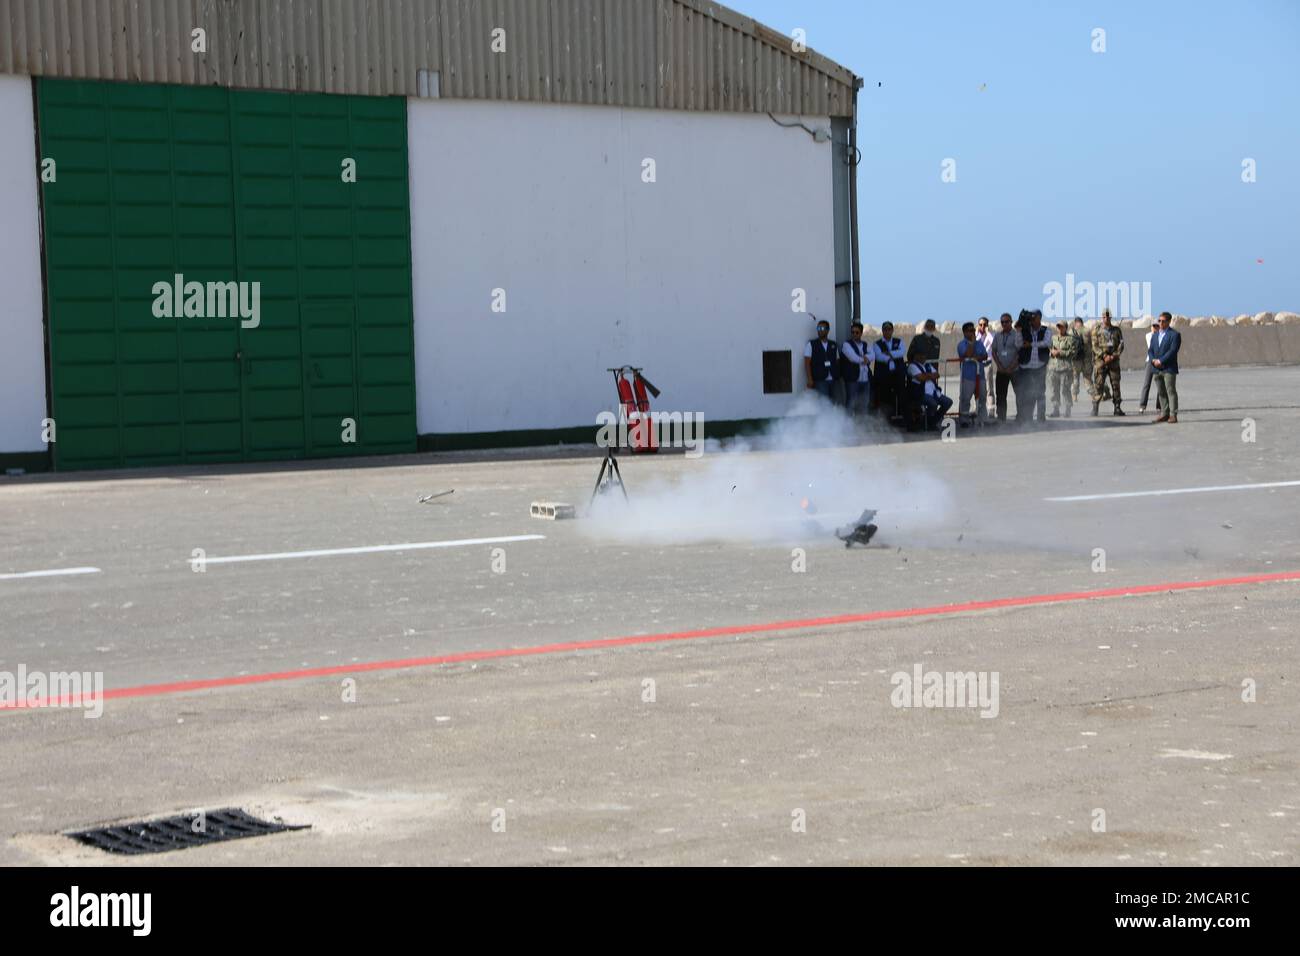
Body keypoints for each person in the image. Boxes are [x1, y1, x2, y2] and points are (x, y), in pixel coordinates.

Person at [1017, 309, 1051, 423]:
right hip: (1026, 367)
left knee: (1040, 393)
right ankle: (1028, 418)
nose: (1031, 320)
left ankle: (1041, 418)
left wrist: (1031, 344)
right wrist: (1018, 331)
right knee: (1027, 393)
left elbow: (1046, 343)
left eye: (1033, 317)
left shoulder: (1046, 330)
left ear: (1039, 318)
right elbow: (1018, 344)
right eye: (1030, 318)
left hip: (1040, 367)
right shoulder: (1025, 330)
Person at [906, 343, 952, 428]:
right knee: (933, 404)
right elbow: (921, 378)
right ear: (916, 356)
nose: (923, 357)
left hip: (934, 392)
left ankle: (932, 421)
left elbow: (937, 375)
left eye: (924, 355)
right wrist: (930, 375)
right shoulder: (912, 366)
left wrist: (926, 375)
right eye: (921, 355)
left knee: (948, 402)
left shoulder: (927, 365)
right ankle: (925, 422)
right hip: (921, 393)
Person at [1090, 309, 1125, 416]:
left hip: (1113, 362)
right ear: (1102, 317)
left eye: (1108, 317)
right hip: (1101, 362)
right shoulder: (1096, 330)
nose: (1106, 319)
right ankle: (1095, 407)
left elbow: (1121, 344)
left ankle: (1117, 407)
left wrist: (1113, 355)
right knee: (1099, 385)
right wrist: (1104, 355)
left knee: (1115, 384)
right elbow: (1094, 346)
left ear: (1111, 318)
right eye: (1104, 317)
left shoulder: (1117, 330)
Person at [1148, 311, 1181, 423]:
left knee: (1170, 391)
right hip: (1156, 368)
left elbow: (1173, 351)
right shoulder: (1155, 335)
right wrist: (1153, 360)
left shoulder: (1174, 335)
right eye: (1159, 321)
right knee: (1161, 392)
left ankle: (1173, 415)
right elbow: (1150, 350)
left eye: (1163, 321)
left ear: (1169, 322)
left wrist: (1161, 361)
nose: (1160, 323)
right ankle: (1164, 413)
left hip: (1168, 368)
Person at [871, 321, 907, 418]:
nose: (887, 331)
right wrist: (894, 354)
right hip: (884, 376)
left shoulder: (899, 341)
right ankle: (887, 419)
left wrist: (889, 353)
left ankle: (902, 417)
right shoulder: (877, 344)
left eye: (889, 329)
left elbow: (902, 352)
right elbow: (879, 357)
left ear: (892, 330)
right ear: (882, 331)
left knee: (901, 396)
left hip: (898, 375)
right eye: (885, 329)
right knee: (885, 397)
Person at [956, 321, 988, 426]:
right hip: (968, 376)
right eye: (970, 331)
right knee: (965, 399)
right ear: (965, 332)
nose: (973, 332)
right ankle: (964, 420)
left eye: (973, 330)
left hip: (980, 375)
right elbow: (967, 355)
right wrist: (972, 344)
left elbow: (985, 355)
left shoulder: (980, 343)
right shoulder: (961, 344)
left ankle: (982, 418)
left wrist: (976, 357)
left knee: (982, 398)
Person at [1047, 318, 1080, 418]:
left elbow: (1073, 352)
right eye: (1058, 327)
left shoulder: (1071, 339)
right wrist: (1051, 352)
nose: (1059, 328)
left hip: (1065, 368)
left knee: (1065, 390)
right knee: (1054, 390)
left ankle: (1067, 409)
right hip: (1053, 368)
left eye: (1061, 327)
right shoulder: (1053, 338)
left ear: (1066, 327)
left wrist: (1060, 352)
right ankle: (1055, 409)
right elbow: (1049, 348)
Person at [990, 313, 1020, 422]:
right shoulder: (997, 335)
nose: (1004, 324)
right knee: (1001, 395)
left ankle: (1020, 417)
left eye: (1006, 321)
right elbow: (993, 351)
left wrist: (1011, 367)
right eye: (1002, 322)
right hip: (1001, 370)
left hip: (1014, 370)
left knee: (1019, 394)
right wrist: (999, 366)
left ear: (1011, 322)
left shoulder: (1017, 335)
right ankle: (1001, 418)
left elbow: (1019, 353)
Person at [804, 317, 839, 401]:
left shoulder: (833, 344)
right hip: (820, 379)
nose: (819, 330)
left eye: (822, 328)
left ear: (827, 330)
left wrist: (837, 374)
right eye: (818, 328)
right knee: (824, 403)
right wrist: (810, 379)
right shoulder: (811, 344)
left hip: (833, 378)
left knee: (834, 402)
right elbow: (807, 362)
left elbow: (837, 360)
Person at [839, 322, 871, 414]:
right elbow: (853, 358)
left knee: (864, 404)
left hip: (865, 379)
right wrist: (866, 359)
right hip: (852, 379)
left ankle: (862, 425)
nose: (854, 334)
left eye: (857, 332)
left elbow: (873, 355)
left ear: (861, 333)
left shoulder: (865, 344)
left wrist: (867, 358)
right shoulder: (846, 345)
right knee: (850, 403)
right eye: (852, 332)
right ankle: (848, 426)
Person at [1137, 316, 1164, 415]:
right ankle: (1142, 406)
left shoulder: (1162, 335)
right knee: (1146, 384)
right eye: (1153, 326)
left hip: (1159, 361)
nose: (1155, 327)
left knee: (1160, 384)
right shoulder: (1149, 335)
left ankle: (1159, 406)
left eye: (1157, 326)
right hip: (1150, 361)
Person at [976, 316, 995, 419]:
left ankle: (991, 411)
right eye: (980, 324)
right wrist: (976, 332)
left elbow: (993, 343)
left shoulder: (990, 335)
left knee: (989, 389)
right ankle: (978, 410)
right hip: (977, 364)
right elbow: (973, 343)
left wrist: (987, 333)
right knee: (978, 388)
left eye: (985, 324)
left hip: (987, 364)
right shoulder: (976, 335)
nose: (982, 327)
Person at [1070, 317, 1091, 404]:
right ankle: (1092, 396)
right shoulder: (1087, 330)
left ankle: (1074, 396)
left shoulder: (1071, 331)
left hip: (1075, 360)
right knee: (1088, 378)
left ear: (1075, 322)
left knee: (1075, 378)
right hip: (1086, 359)